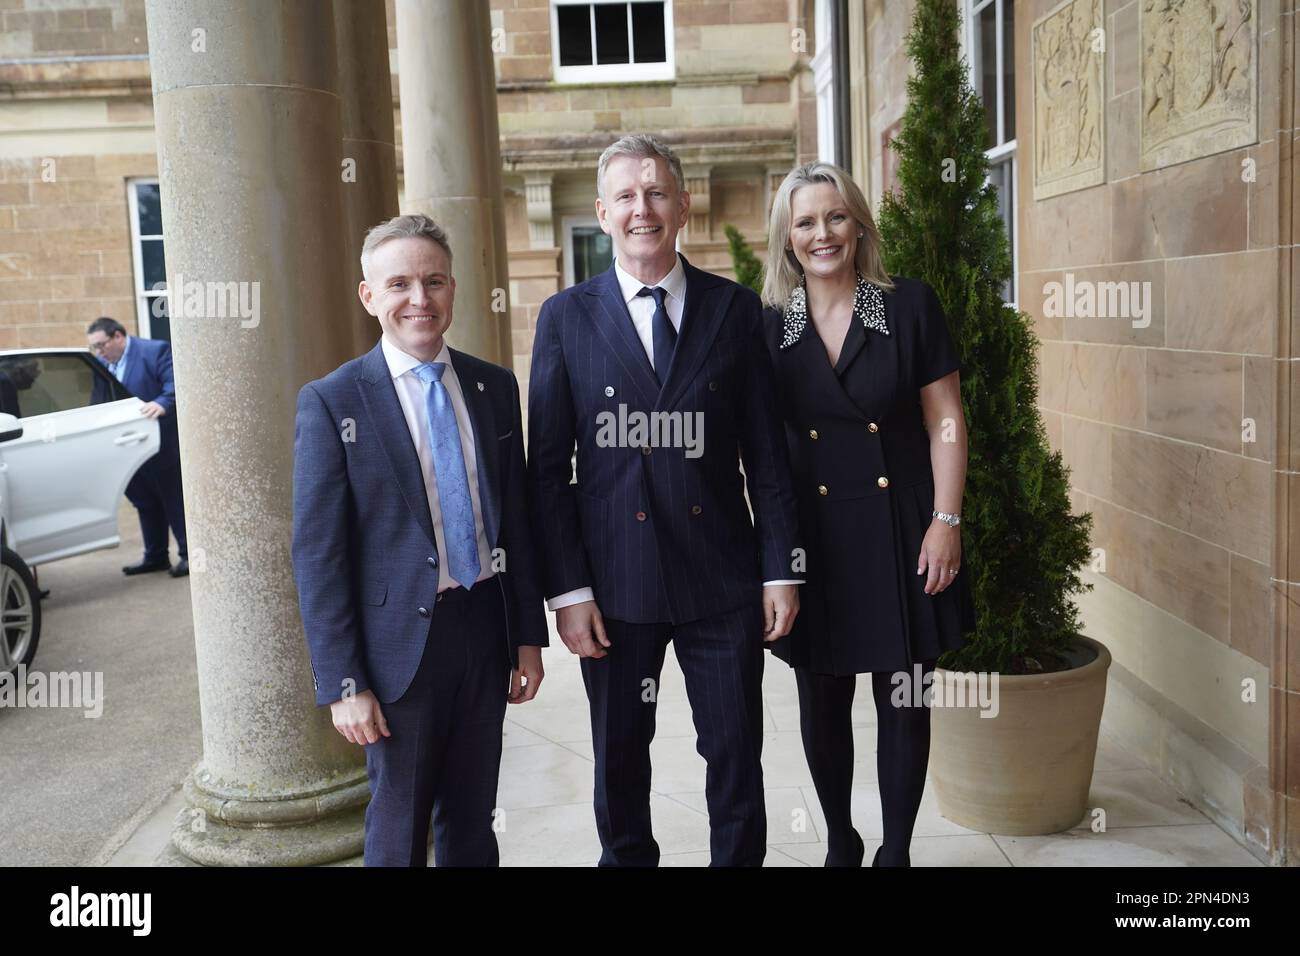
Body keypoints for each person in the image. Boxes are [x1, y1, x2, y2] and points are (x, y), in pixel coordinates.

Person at [527, 134, 802, 866]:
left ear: (683, 204)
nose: (641, 209)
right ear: (603, 212)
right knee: (619, 761)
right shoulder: (565, 317)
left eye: (655, 194)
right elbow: (548, 471)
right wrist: (569, 590)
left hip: (723, 580)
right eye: (625, 197)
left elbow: (768, 457)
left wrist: (781, 569)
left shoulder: (736, 310)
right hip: (615, 588)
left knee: (736, 754)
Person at [292, 214, 547, 867]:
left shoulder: (493, 388)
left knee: (472, 818)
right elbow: (319, 554)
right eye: (399, 283)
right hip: (397, 651)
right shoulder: (333, 402)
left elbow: (513, 520)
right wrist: (344, 682)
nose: (419, 299)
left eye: (433, 281)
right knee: (399, 824)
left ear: (454, 288)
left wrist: (526, 637)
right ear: (368, 295)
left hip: (484, 632)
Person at [761, 162, 975, 867]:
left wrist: (947, 519)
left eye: (835, 217)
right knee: (820, 695)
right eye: (805, 222)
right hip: (813, 539)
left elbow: (945, 416)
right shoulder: (770, 326)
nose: (822, 233)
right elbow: (756, 446)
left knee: (903, 694)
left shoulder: (908, 304)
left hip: (902, 525)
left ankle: (898, 851)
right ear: (786, 239)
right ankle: (842, 841)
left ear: (858, 225)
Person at [86, 317, 189, 578]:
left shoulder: (154, 351)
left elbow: (177, 382)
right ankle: (155, 556)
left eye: (101, 345)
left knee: (173, 499)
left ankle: (189, 556)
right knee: (145, 501)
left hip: (160, 443)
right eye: (94, 348)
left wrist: (162, 402)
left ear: (118, 336)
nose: (99, 352)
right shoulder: (100, 364)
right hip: (125, 448)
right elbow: (98, 400)